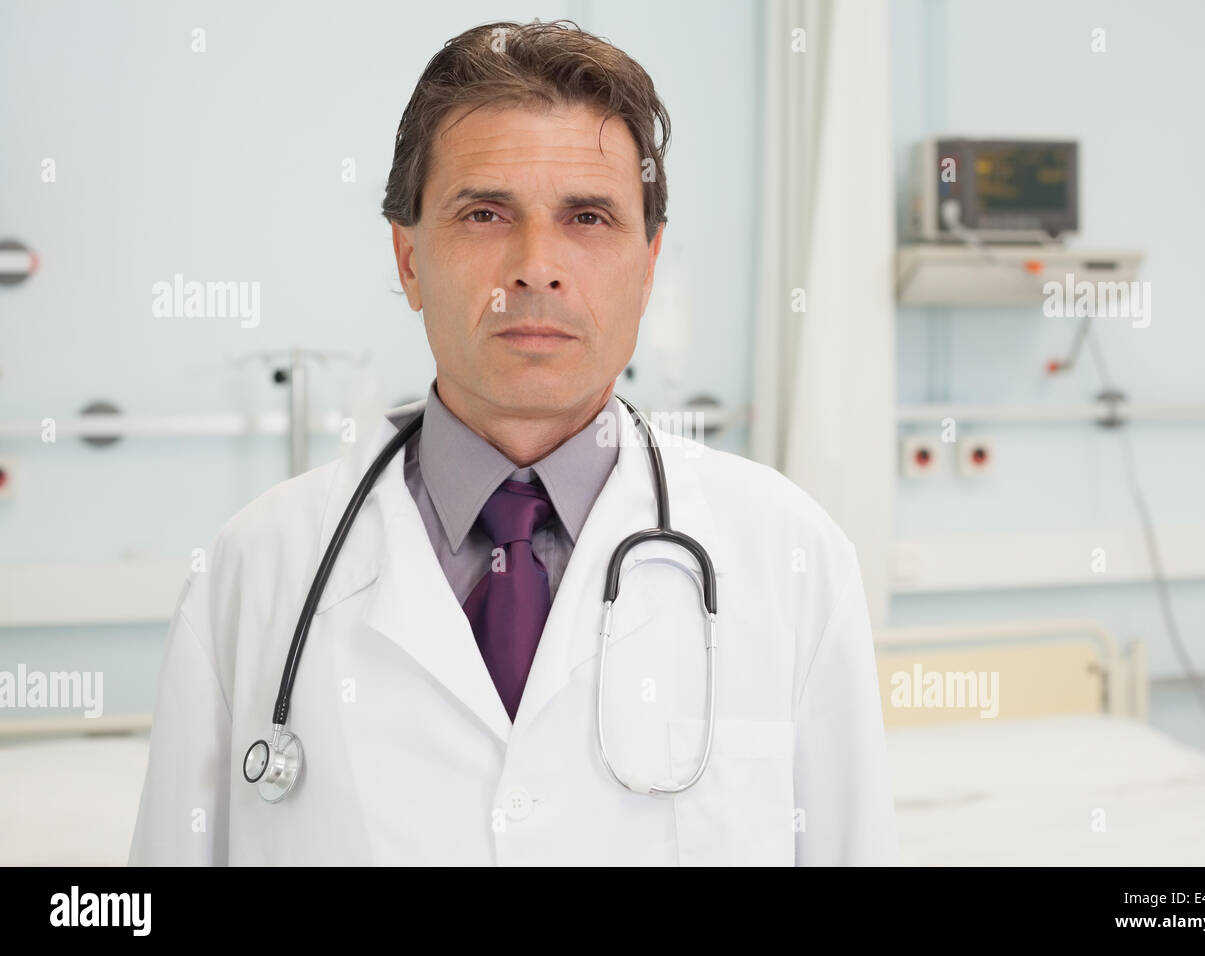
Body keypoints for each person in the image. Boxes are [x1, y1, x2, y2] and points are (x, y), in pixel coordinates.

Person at [128, 18, 898, 866]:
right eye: (486, 212)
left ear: (648, 264)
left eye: (590, 217)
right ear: (409, 258)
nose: (537, 266)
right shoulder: (257, 568)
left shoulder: (790, 556)